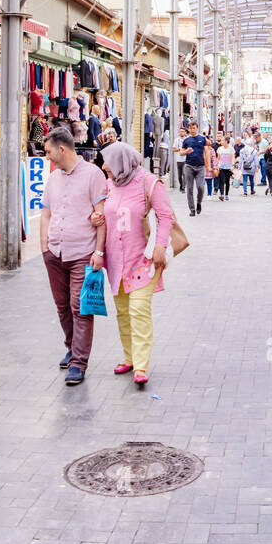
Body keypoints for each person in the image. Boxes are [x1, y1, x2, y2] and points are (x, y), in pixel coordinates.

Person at [94, 142, 174, 388]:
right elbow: (102, 216)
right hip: (116, 261)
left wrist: (160, 244)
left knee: (138, 310)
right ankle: (129, 357)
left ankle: (141, 365)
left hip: (143, 259)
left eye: (108, 161)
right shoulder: (109, 185)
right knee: (123, 312)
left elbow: (166, 215)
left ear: (121, 161)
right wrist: (94, 218)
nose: (104, 166)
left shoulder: (148, 182)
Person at [40, 126, 107, 386]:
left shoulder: (93, 175)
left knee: (80, 308)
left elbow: (101, 216)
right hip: (54, 251)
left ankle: (79, 362)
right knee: (62, 305)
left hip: (82, 252)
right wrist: (44, 247)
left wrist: (99, 252)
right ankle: (71, 347)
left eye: (48, 152)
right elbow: (46, 212)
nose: (47, 157)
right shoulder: (53, 178)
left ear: (62, 149)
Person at [180, 119, 207, 217]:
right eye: (190, 128)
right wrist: (186, 151)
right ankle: (192, 209)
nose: (192, 130)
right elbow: (181, 152)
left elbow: (206, 152)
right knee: (190, 189)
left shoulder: (202, 139)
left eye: (193, 128)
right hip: (189, 166)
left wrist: (208, 166)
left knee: (200, 187)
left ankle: (199, 202)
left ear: (197, 128)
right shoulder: (186, 140)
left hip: (200, 166)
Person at [203, 134, 216, 198]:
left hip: (209, 168)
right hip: (202, 168)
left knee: (209, 182)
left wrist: (214, 167)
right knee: (201, 183)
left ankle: (209, 194)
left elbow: (214, 159)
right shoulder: (200, 149)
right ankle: (201, 194)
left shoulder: (211, 150)